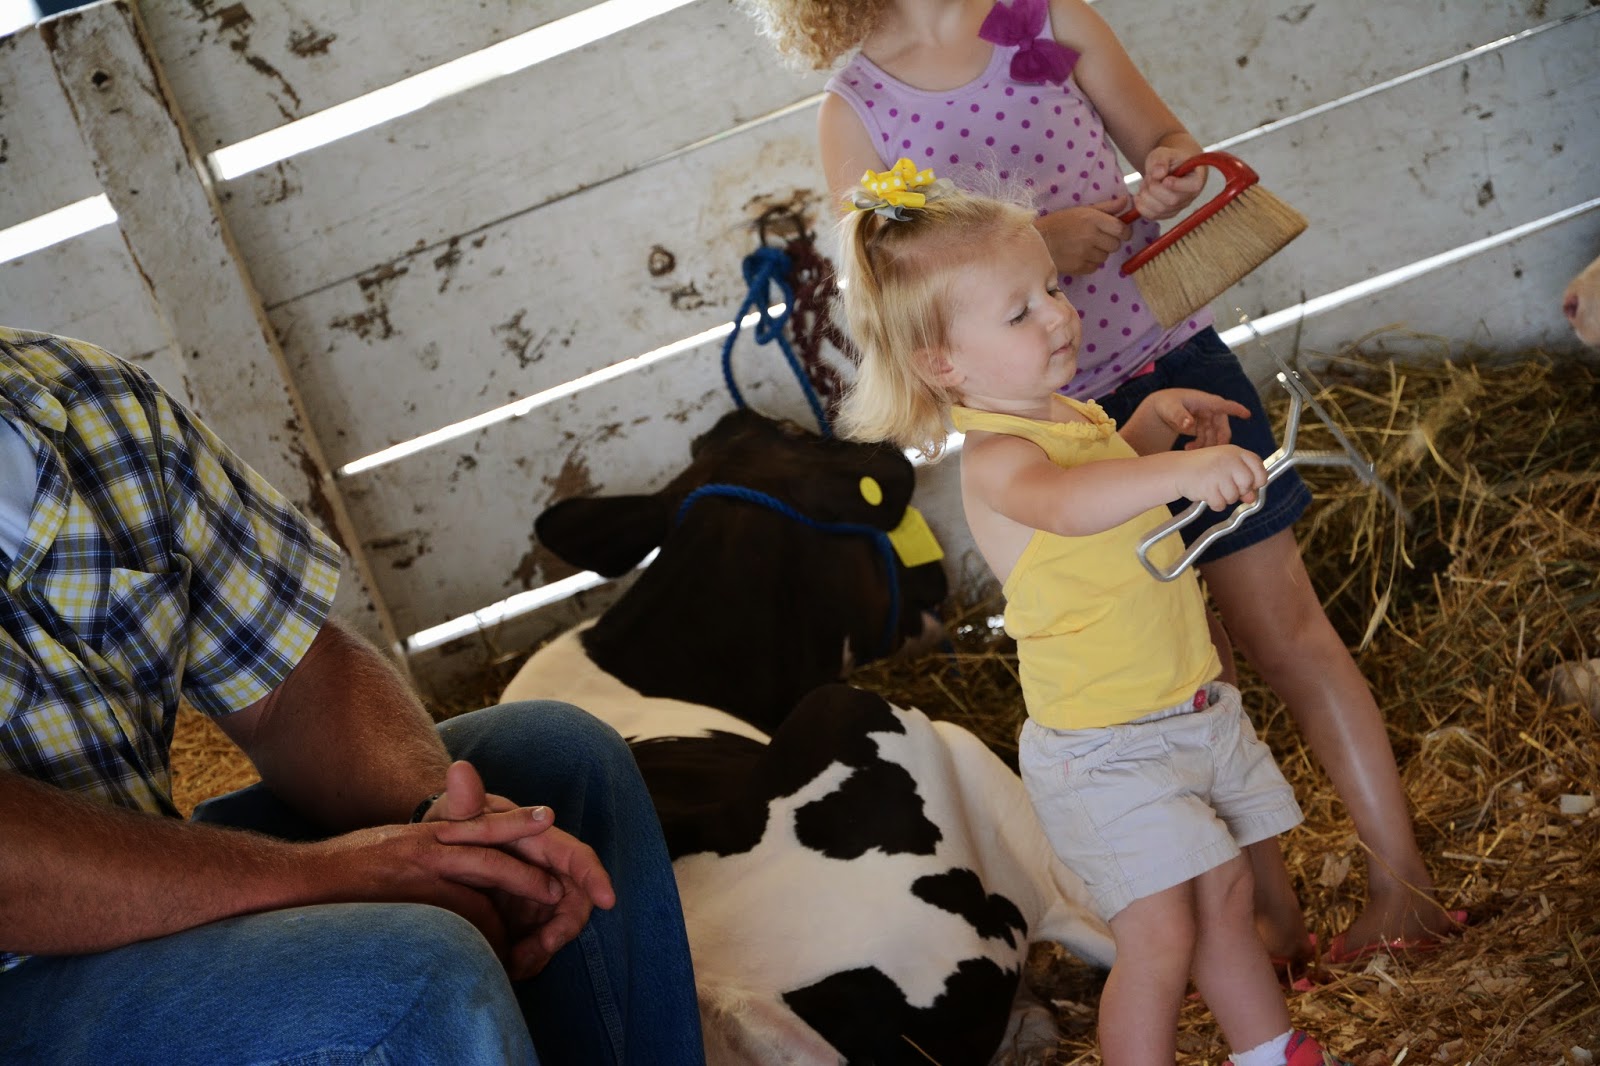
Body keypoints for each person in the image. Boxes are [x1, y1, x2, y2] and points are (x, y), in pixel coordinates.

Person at [740, 0, 1459, 969]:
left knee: (1285, 629)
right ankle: (1268, 923)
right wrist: (1040, 241)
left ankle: (1398, 888)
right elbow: (891, 294)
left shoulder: (1045, 15)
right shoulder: (855, 110)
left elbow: (1163, 136)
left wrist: (1168, 170)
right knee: (1187, 674)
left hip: (1166, 358)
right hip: (1044, 424)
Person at [0, 326, 706, 1065]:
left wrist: (445, 825)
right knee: (406, 975)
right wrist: (322, 875)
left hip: (144, 899)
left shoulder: (82, 400)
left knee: (558, 761)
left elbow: (287, 684)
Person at [831, 170, 1350, 1065]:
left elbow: (1101, 499)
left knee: (1224, 895)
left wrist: (1147, 430)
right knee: (1157, 935)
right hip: (1106, 750)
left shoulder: (1068, 418)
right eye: (1020, 311)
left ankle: (1271, 1051)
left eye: (1053, 290)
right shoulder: (997, 460)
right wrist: (1177, 474)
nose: (1060, 315)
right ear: (943, 364)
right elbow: (1070, 508)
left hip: (1177, 707)